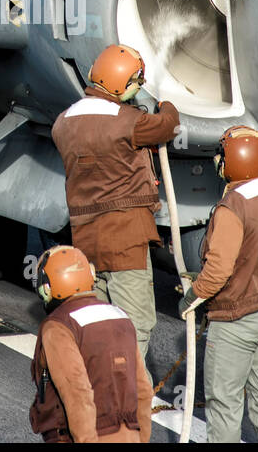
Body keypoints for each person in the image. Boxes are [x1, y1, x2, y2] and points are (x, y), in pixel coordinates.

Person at [51, 43, 180, 367]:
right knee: (134, 325)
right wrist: (165, 103)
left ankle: (102, 392)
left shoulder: (63, 123)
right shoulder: (130, 121)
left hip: (86, 241)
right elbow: (167, 125)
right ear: (122, 83)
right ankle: (129, 400)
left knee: (101, 325)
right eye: (135, 82)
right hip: (125, 240)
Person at [179, 126, 258, 443]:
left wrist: (192, 296)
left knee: (225, 405)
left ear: (228, 163)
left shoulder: (232, 207)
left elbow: (218, 270)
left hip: (237, 318)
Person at [29, 245, 152, 443]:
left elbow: (78, 395)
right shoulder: (121, 317)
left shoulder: (58, 327)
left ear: (48, 287)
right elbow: (143, 391)